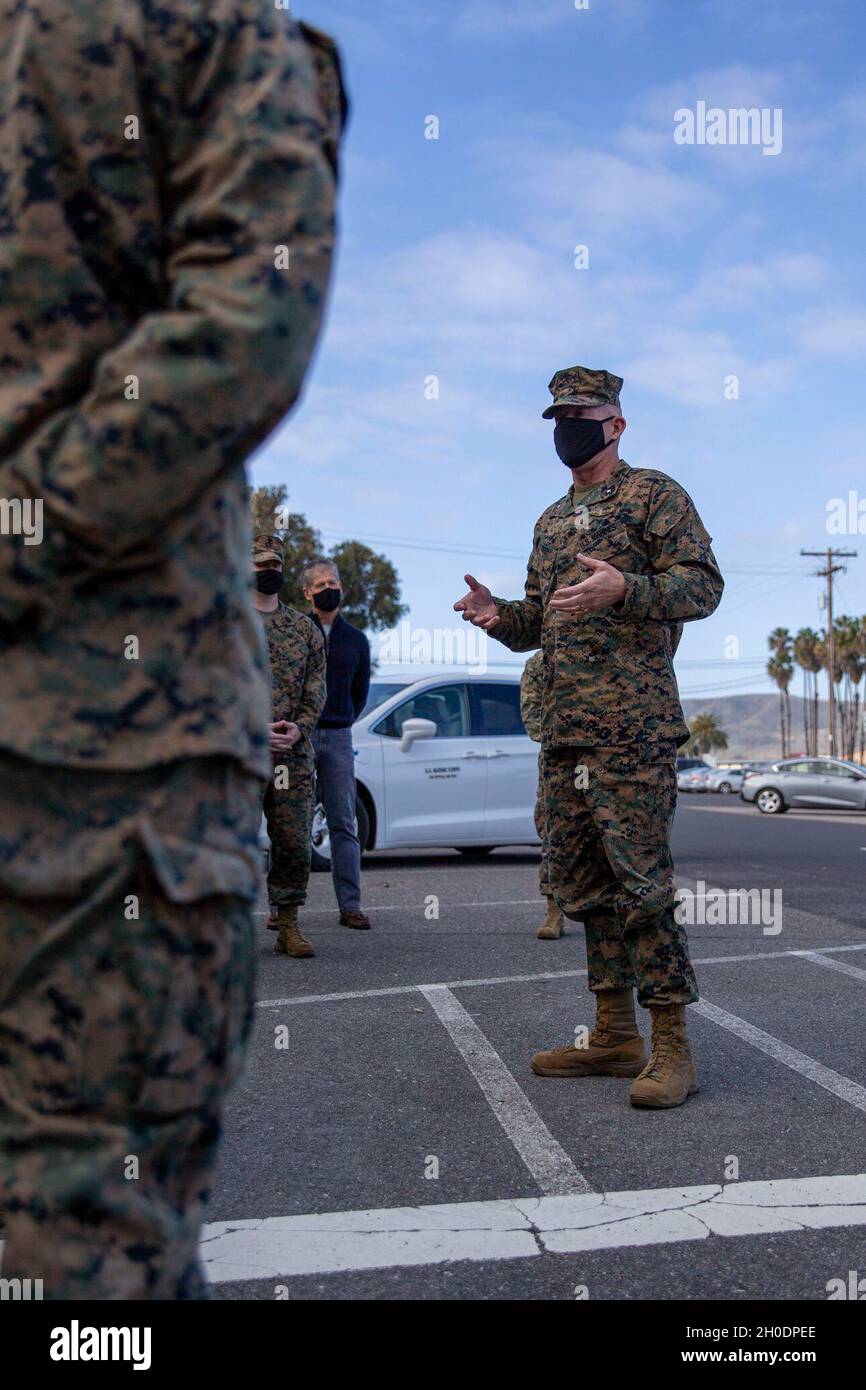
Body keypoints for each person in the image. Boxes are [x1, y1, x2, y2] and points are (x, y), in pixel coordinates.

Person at [0, 1, 344, 1299]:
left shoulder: (172, 22)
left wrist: (19, 527)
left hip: (95, 760)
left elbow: (253, 303)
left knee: (85, 1270)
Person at [455, 366, 724, 1110]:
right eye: (556, 415)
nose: (566, 425)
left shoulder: (653, 495)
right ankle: (612, 1034)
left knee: (642, 887)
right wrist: (497, 614)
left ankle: (672, 1045)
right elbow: (541, 620)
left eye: (580, 412)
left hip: (631, 729)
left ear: (616, 423)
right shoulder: (548, 521)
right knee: (582, 887)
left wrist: (627, 588)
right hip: (564, 730)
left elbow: (703, 584)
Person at [253, 535, 326, 958]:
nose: (270, 573)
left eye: (276, 566)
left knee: (294, 841)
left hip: (292, 755)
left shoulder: (303, 628)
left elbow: (317, 685)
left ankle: (288, 923)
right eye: (263, 566)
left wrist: (298, 728)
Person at [302, 559, 372, 929]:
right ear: (307, 593)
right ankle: (286, 909)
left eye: (334, 582)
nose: (329, 588)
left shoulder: (356, 640)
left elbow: (359, 694)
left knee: (344, 822)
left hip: (339, 738)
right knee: (293, 821)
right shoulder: (297, 632)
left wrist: (341, 717)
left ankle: (350, 906)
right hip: (300, 736)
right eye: (321, 584)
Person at [520, 652, 565, 940]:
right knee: (555, 833)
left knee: (612, 833)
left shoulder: (608, 648)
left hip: (608, 757)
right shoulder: (540, 662)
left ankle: (615, 916)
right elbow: (531, 711)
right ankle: (554, 910)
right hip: (559, 759)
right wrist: (560, 743)